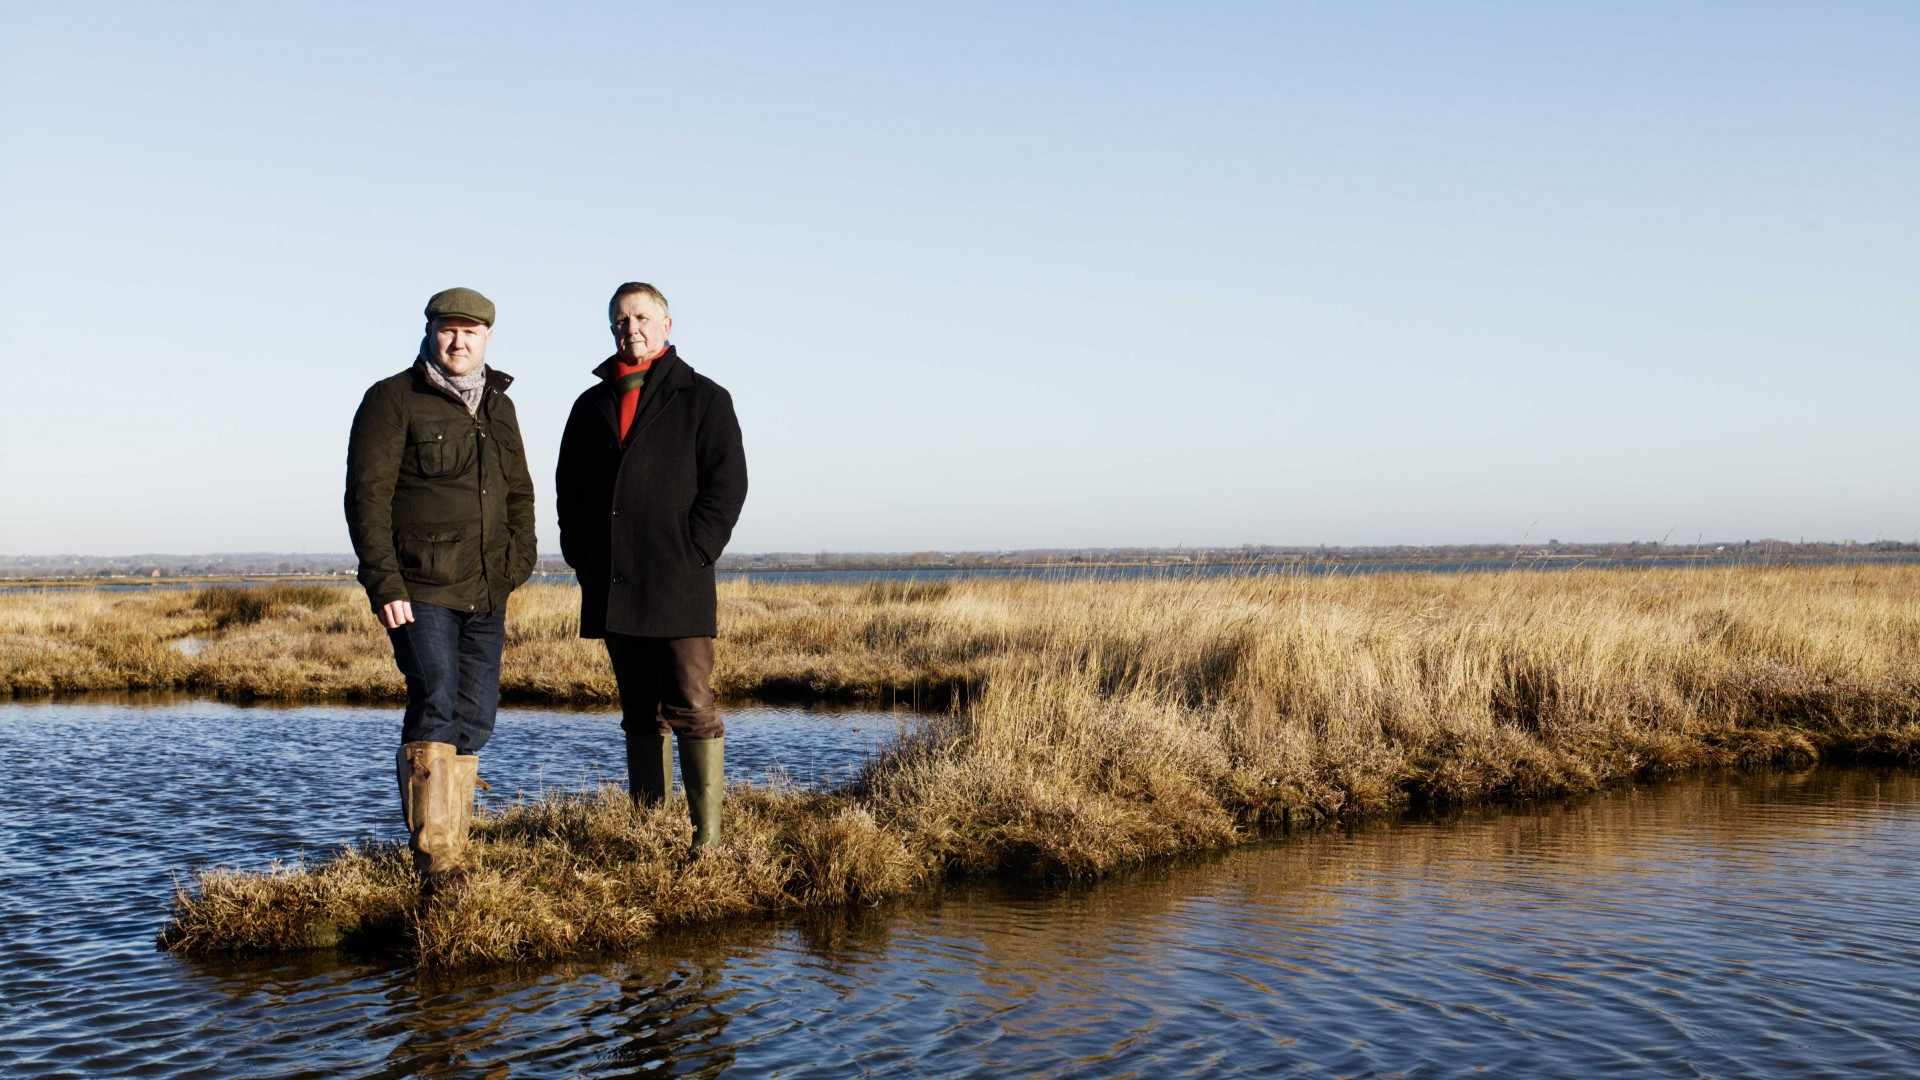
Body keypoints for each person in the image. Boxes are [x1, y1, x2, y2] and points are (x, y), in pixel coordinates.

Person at [344, 287, 537, 886]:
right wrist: (384, 582)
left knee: (475, 717)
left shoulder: (500, 408)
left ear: (487, 339)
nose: (459, 342)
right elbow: (365, 499)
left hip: (487, 587)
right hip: (419, 588)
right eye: (448, 330)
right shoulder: (391, 400)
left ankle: (454, 844)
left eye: (471, 333)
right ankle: (437, 861)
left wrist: (518, 562)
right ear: (430, 332)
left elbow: (520, 495)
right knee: (435, 697)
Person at [555, 281, 747, 851]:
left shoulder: (705, 398)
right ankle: (647, 835)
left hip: (679, 580)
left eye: (640, 317)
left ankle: (705, 841)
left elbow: (727, 484)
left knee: (692, 706)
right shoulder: (590, 405)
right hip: (613, 582)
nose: (629, 328)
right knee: (639, 711)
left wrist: (697, 550)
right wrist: (584, 558)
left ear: (666, 325)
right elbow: (570, 492)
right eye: (620, 320)